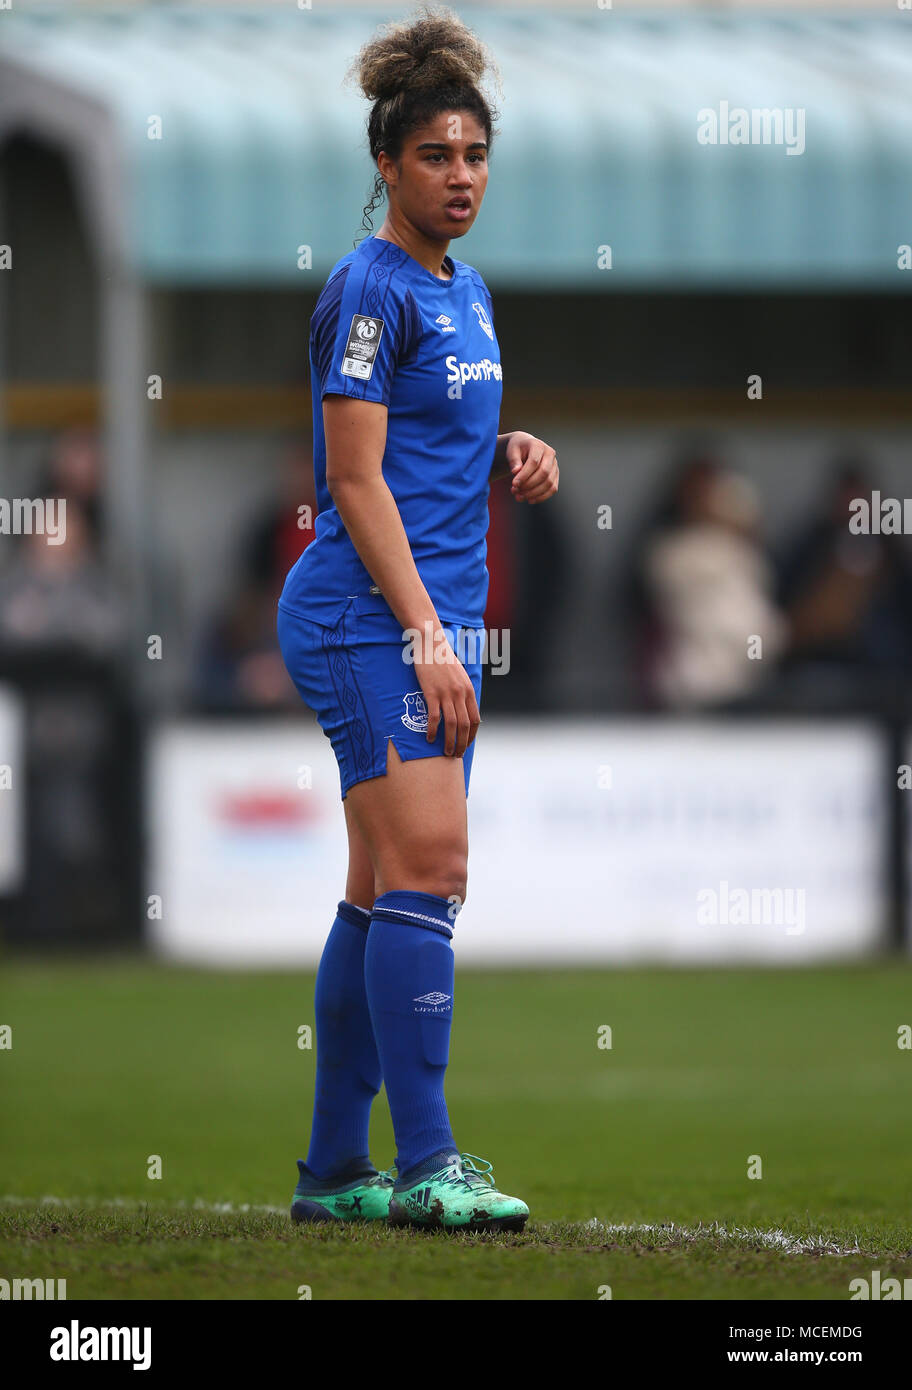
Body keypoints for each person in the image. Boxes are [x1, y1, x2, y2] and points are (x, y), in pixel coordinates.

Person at [276, 4, 558, 1232]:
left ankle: (339, 1168)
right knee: (433, 873)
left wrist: (509, 448)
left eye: (476, 154)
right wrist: (433, 635)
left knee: (378, 884)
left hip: (412, 618)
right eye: (436, 155)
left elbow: (423, 444)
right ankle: (430, 1162)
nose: (461, 176)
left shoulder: (468, 287)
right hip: (366, 620)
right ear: (386, 164)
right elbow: (351, 479)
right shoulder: (368, 288)